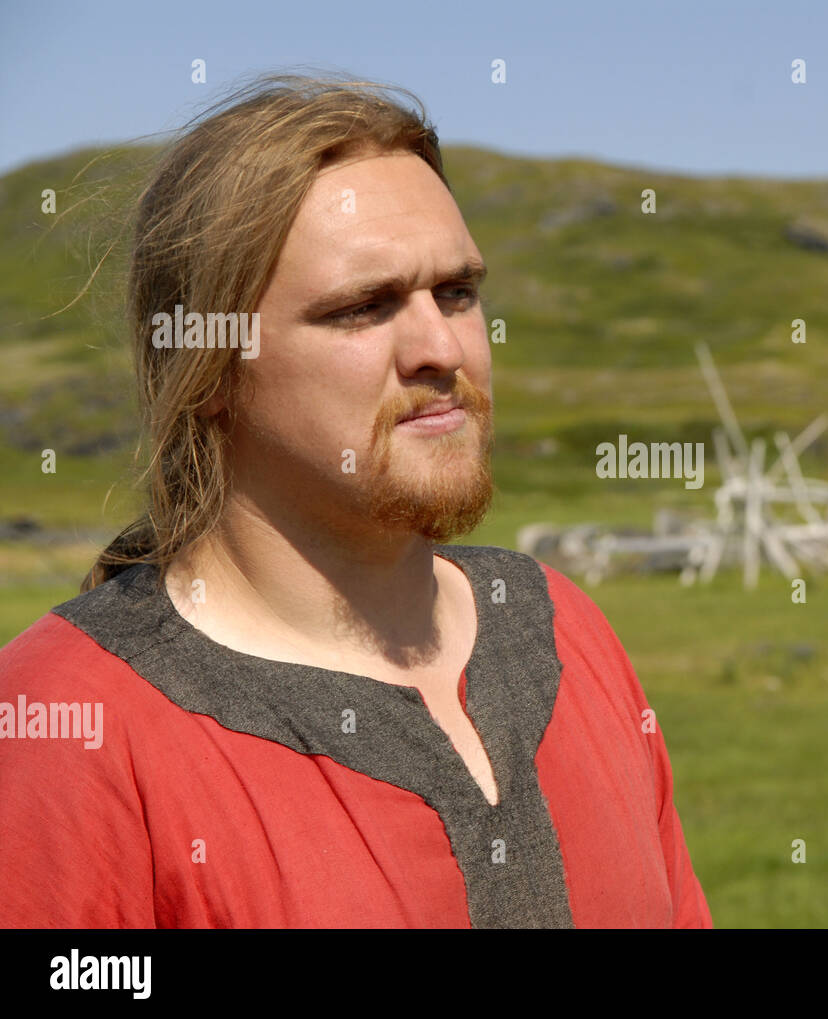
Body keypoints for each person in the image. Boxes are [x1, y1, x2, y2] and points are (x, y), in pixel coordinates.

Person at [0, 74, 712, 929]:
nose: (440, 347)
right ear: (211, 368)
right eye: (363, 308)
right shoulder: (70, 728)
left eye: (457, 292)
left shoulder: (562, 634)